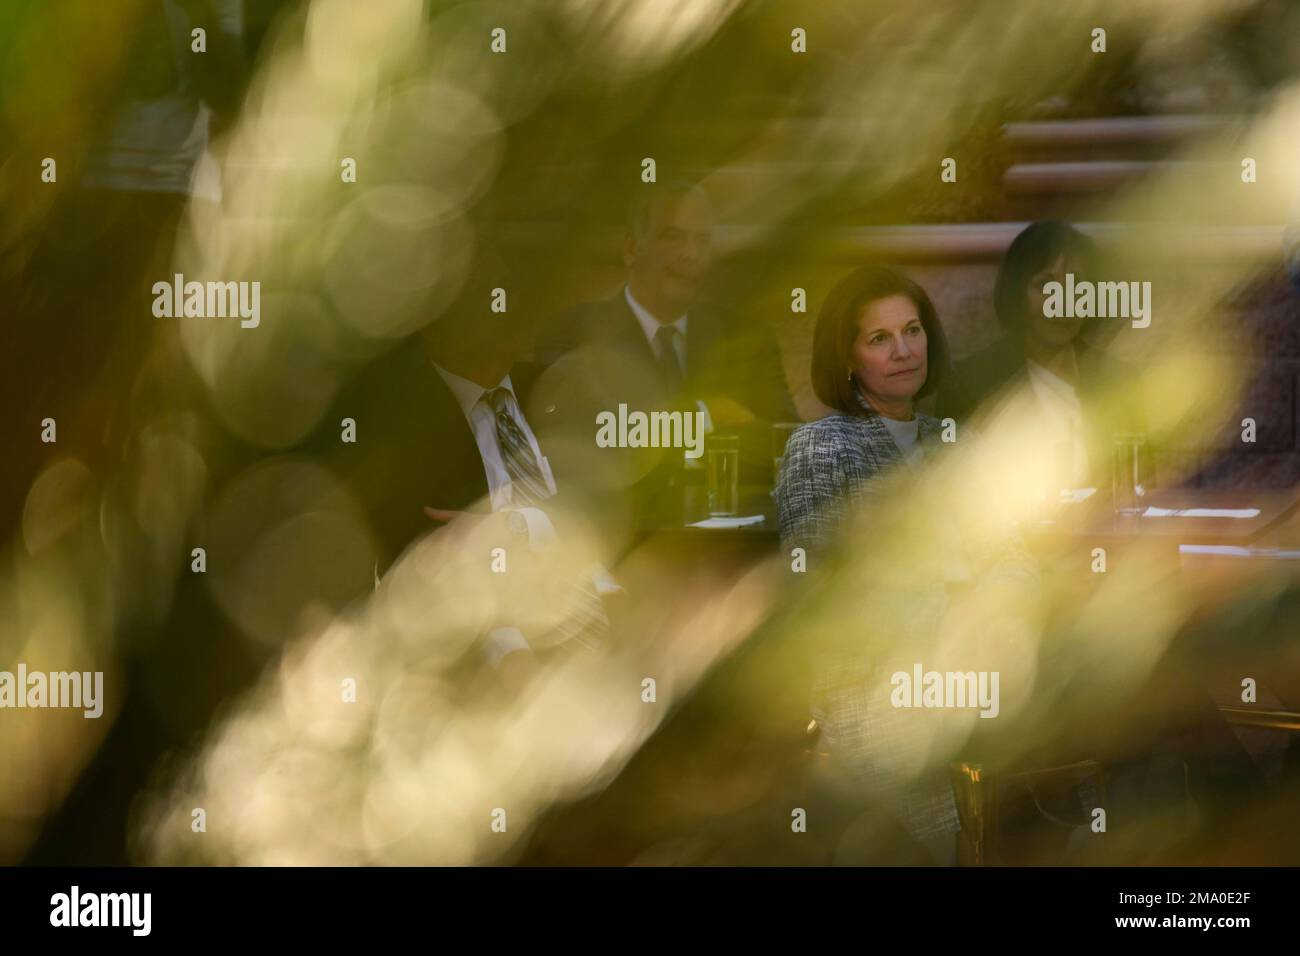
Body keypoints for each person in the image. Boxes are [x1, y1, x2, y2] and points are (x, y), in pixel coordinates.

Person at [776, 265, 1039, 863]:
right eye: (879, 339)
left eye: (913, 330)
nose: (903, 351)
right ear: (847, 358)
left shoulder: (959, 443)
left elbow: (1019, 567)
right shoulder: (821, 448)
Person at [322, 304, 614, 692]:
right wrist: (514, 660)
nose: (504, 309)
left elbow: (605, 521)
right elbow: (423, 579)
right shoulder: (400, 430)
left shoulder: (564, 389)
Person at [534, 179, 797, 522]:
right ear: (631, 247)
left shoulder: (745, 336)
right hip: (623, 542)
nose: (690, 254)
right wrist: (708, 417)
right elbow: (588, 452)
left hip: (734, 545)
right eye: (672, 237)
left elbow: (789, 444)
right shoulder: (575, 335)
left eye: (701, 240)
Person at [938, 220, 1142, 493]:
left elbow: (1144, 484)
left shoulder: (1119, 380)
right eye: (1046, 285)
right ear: (1017, 293)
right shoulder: (970, 386)